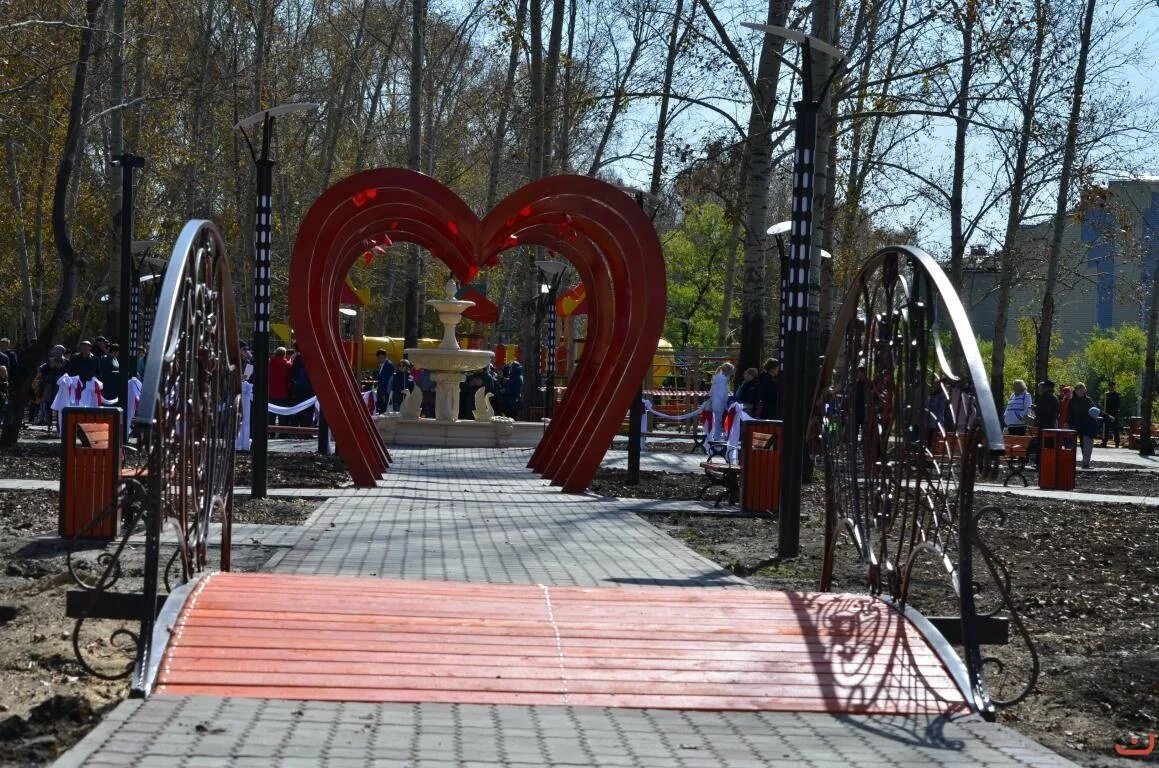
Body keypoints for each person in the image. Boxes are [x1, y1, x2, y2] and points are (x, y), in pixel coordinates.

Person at [1028, 379, 1059, 467]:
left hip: (1046, 426)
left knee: (1044, 446)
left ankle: (1042, 464)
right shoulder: (1052, 397)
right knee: (1046, 446)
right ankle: (1044, 463)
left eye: (1044, 386)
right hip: (1049, 425)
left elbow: (1045, 412)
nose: (1042, 388)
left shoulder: (1047, 398)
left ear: (1048, 387)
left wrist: (1036, 409)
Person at [1068, 382, 1098, 469]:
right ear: (1076, 391)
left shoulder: (1088, 400)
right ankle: (1069, 462)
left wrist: (1107, 416)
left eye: (1082, 390)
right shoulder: (1072, 401)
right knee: (1070, 445)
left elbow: (1095, 410)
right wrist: (1067, 422)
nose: (1081, 391)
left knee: (1085, 445)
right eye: (1079, 390)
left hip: (1085, 426)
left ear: (1085, 390)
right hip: (1074, 425)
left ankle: (1085, 463)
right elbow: (1069, 414)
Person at [267, 347, 294, 427]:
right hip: (283, 392)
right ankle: (283, 432)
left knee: (271, 413)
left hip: (271, 392)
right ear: (284, 354)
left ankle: (271, 432)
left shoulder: (270, 363)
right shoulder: (287, 364)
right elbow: (289, 378)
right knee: (282, 413)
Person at [709, 362, 734, 440]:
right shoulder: (722, 380)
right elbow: (722, 394)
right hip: (720, 403)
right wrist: (726, 405)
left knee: (717, 422)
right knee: (719, 422)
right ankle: (717, 439)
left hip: (715, 403)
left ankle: (716, 438)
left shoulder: (717, 378)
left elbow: (712, 392)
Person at [375, 349, 396, 414]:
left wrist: (384, 394)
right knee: (381, 411)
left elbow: (387, 381)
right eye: (378, 358)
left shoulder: (388, 365)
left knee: (383, 412)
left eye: (381, 358)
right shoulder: (382, 365)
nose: (379, 359)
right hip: (381, 392)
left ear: (385, 357)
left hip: (385, 393)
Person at [1101, 380, 1121, 448]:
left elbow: (1118, 405)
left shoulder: (1117, 395)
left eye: (1112, 386)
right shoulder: (1106, 394)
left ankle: (1117, 442)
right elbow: (1103, 404)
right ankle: (1104, 442)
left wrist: (1115, 413)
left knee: (1115, 429)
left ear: (1114, 387)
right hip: (1107, 413)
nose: (1111, 388)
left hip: (1114, 414)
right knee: (1105, 428)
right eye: (1110, 386)